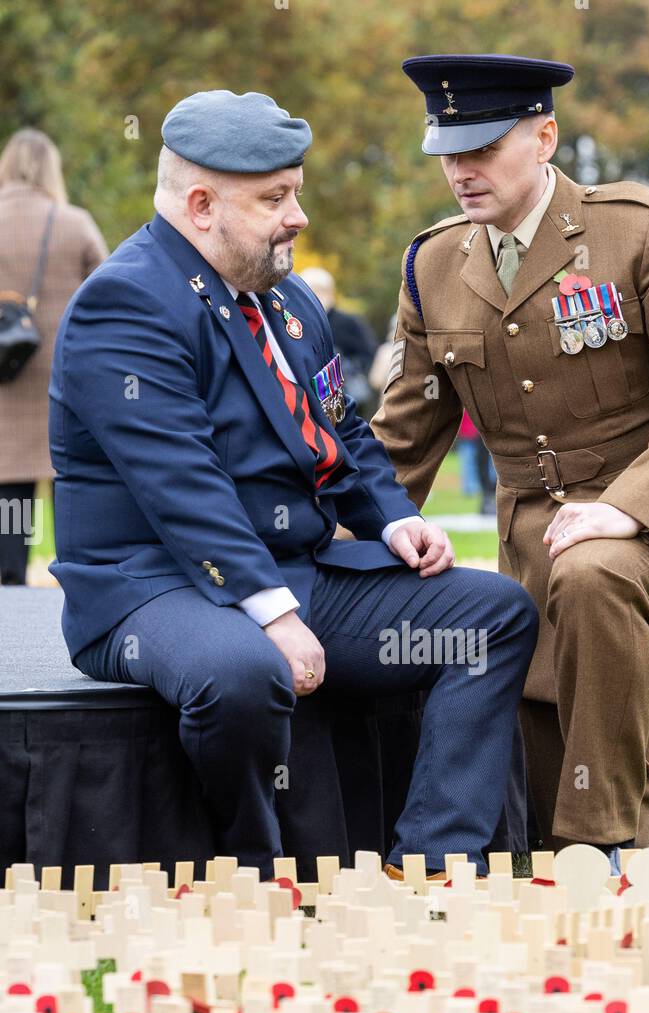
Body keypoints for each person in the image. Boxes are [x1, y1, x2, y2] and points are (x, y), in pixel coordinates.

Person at [48, 89, 538, 882]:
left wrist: (390, 522)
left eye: (296, 192)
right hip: (153, 588)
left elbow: (342, 431)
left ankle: (434, 863)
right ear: (201, 205)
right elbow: (184, 488)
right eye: (275, 198)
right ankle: (254, 873)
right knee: (244, 671)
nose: (298, 216)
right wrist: (272, 614)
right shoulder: (127, 302)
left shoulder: (287, 299)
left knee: (492, 618)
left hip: (294, 573)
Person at [371, 53, 649, 874]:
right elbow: (400, 438)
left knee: (594, 576)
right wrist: (325, 536)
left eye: (482, 147)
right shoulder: (431, 266)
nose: (458, 170)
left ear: (545, 137)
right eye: (447, 148)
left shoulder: (637, 228)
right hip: (536, 567)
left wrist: (628, 508)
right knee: (550, 822)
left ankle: (602, 853)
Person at [0, 129, 107, 584]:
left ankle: (9, 581)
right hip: (66, 373)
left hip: (6, 374)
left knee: (13, 486)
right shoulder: (74, 222)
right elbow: (111, 294)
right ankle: (80, 578)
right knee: (69, 476)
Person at [300, 266, 379, 418]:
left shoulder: (349, 322)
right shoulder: (298, 322)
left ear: (330, 293)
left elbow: (369, 353)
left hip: (346, 394)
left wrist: (347, 368)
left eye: (320, 290)